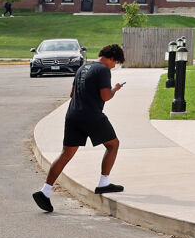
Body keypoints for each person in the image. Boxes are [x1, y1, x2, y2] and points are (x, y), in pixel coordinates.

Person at [33, 44, 127, 213]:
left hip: (73, 115)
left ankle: (44, 192)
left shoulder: (83, 68)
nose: (114, 66)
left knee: (66, 154)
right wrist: (115, 90)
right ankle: (103, 183)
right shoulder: (104, 70)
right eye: (116, 63)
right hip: (91, 115)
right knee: (113, 145)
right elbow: (105, 96)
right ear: (113, 58)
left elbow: (72, 94)